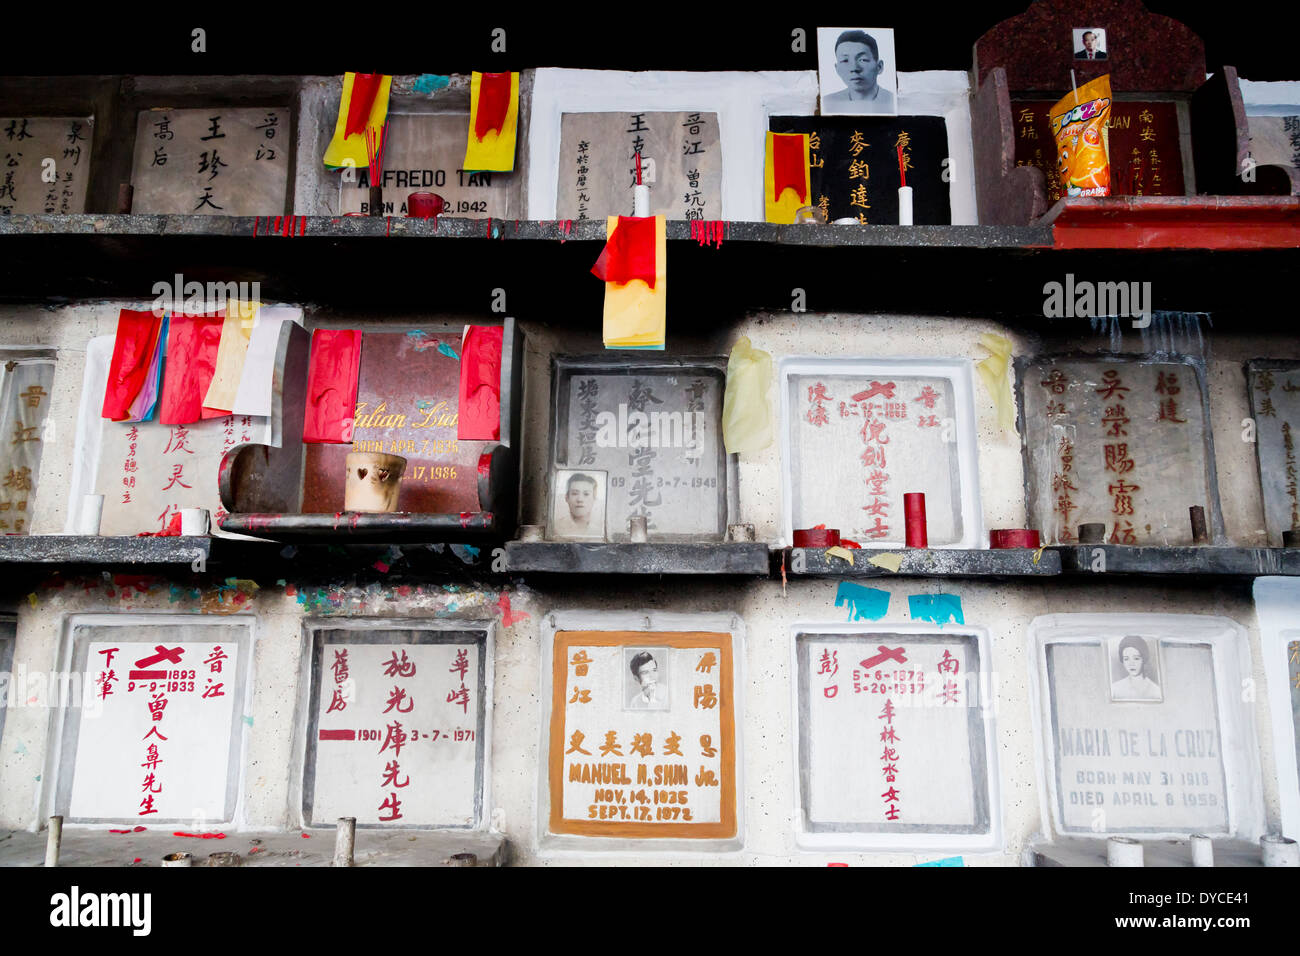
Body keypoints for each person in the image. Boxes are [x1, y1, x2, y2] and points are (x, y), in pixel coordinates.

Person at [823, 30, 895, 114]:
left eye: (863, 60)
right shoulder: (827, 104)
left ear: (879, 67)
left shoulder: (894, 102)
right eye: (845, 60)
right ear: (837, 69)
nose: (854, 68)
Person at [1110, 635, 1160, 700]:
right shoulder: (1115, 688)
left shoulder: (1156, 690)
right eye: (1126, 659)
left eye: (1136, 658)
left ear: (1144, 658)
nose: (1131, 664)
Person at [554, 472, 600, 537]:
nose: (580, 499)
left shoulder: (598, 532)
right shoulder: (555, 528)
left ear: (594, 498)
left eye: (586, 494)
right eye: (575, 493)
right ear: (566, 497)